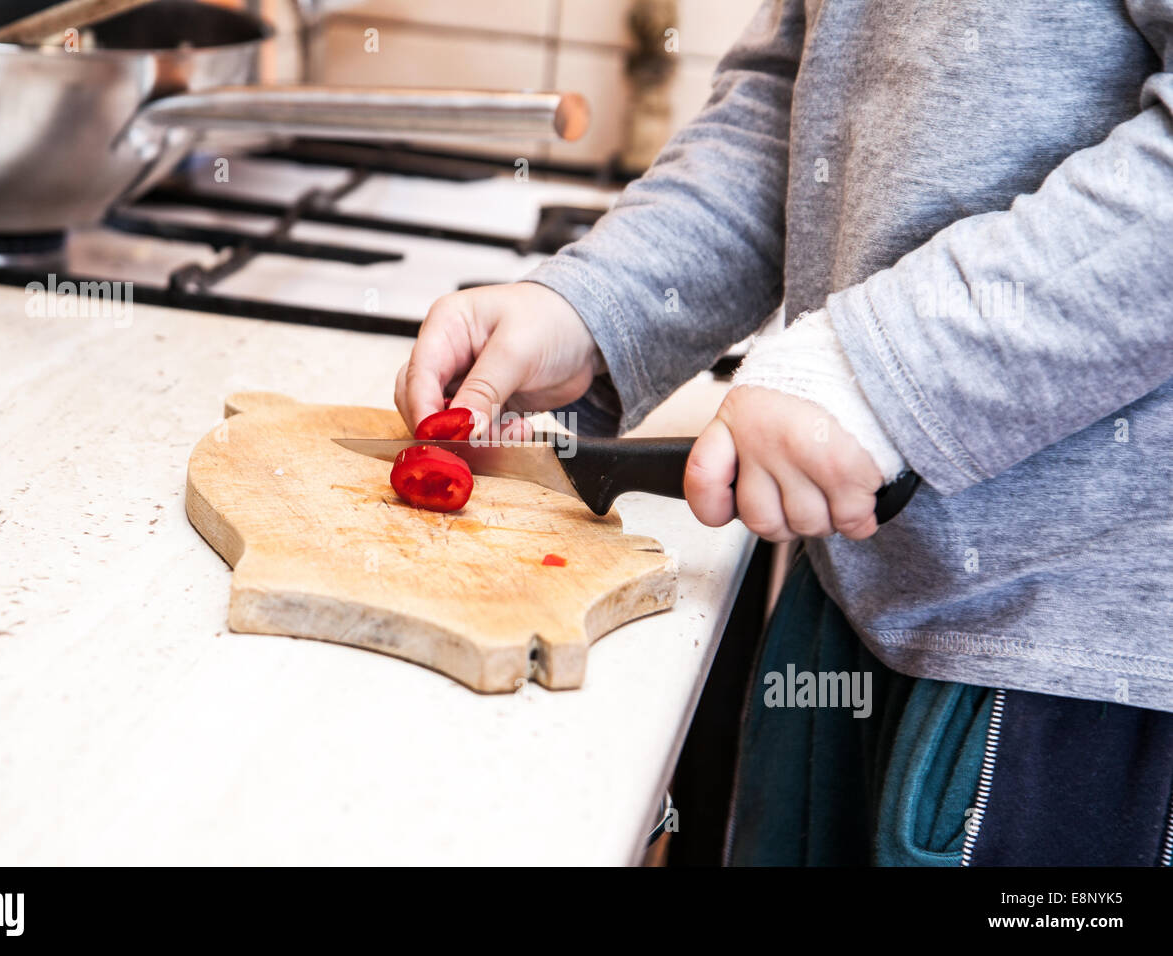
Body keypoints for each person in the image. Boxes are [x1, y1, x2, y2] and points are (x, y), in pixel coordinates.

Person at [394, 0, 1173, 865]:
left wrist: (879, 371)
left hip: (1076, 690)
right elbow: (792, 104)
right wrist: (594, 307)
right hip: (852, 596)